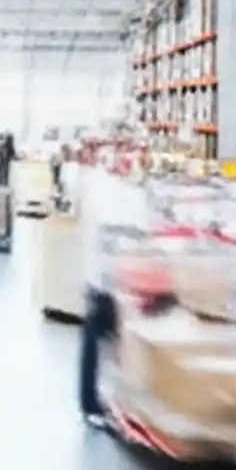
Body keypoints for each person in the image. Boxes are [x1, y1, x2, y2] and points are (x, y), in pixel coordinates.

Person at [75, 166, 152, 428]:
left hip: (119, 275)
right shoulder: (102, 187)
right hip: (105, 277)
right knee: (96, 339)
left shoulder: (121, 188)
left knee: (111, 339)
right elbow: (118, 225)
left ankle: (113, 401)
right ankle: (91, 403)